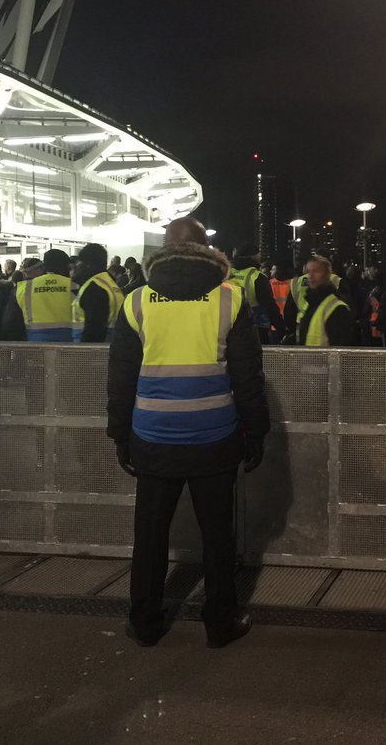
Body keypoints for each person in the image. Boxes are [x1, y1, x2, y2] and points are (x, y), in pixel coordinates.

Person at [108, 217, 268, 648]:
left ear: (163, 250)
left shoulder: (137, 301)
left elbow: (121, 376)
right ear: (208, 252)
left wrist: (120, 434)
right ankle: (220, 622)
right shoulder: (229, 300)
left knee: (150, 534)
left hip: (153, 436)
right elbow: (248, 376)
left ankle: (145, 622)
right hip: (214, 436)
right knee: (218, 534)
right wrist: (257, 433)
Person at [6, 249, 77, 342]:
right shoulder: (75, 286)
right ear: (65, 266)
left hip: (35, 342)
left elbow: (11, 321)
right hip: (69, 343)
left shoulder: (25, 287)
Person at [230, 244, 286, 345]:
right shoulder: (257, 277)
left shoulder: (228, 273)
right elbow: (269, 306)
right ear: (254, 256)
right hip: (256, 329)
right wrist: (282, 329)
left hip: (230, 326)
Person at [294, 256, 355, 346]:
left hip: (324, 360)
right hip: (308, 359)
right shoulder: (310, 303)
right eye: (308, 271)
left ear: (327, 275)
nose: (310, 276)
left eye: (316, 271)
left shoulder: (338, 308)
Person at [72, 243, 125, 343]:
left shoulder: (94, 288)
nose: (75, 267)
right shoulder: (109, 283)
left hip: (92, 351)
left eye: (78, 263)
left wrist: (82, 353)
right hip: (111, 344)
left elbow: (94, 330)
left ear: (87, 264)